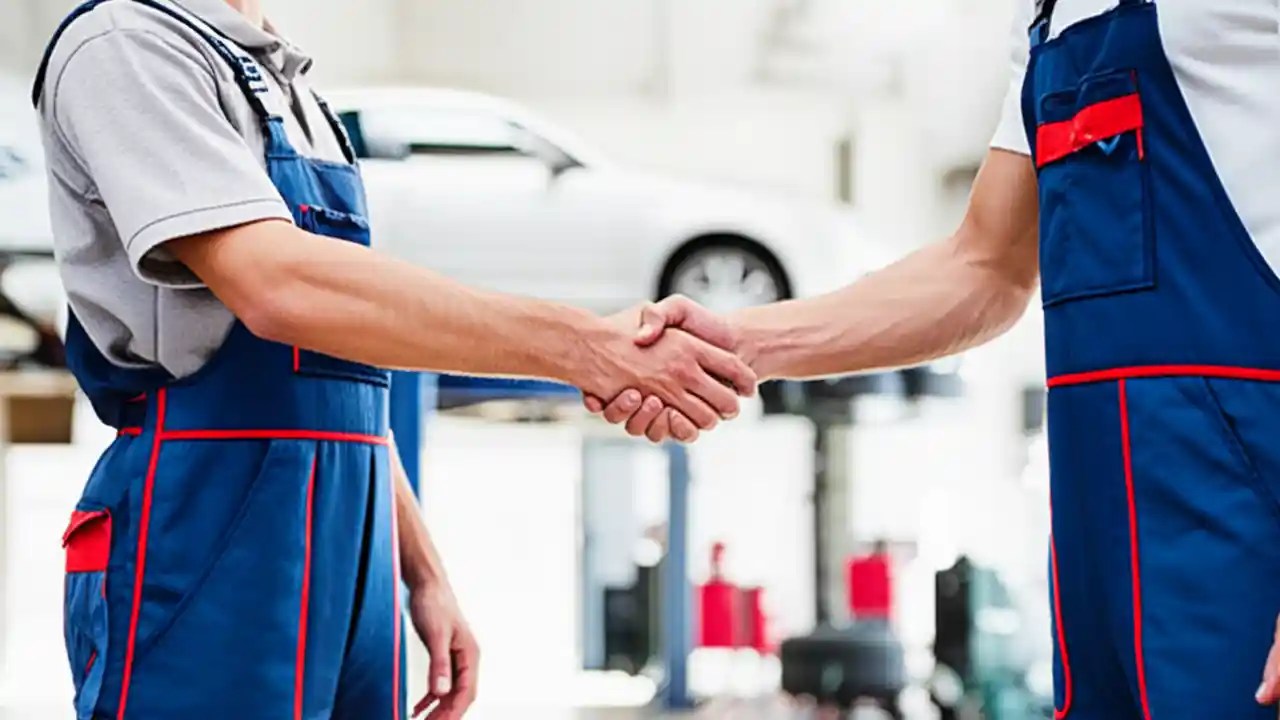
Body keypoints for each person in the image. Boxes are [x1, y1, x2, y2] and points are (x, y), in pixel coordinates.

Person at [33, 1, 757, 718]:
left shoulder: (285, 80)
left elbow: (340, 366)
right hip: (209, 525)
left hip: (353, 543)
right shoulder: (128, 40)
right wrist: (582, 347)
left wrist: (420, 571)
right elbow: (276, 285)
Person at [592, 0, 1280, 717]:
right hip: (1106, 535)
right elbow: (984, 267)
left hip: (1250, 515)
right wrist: (738, 345)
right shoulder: (1049, 16)